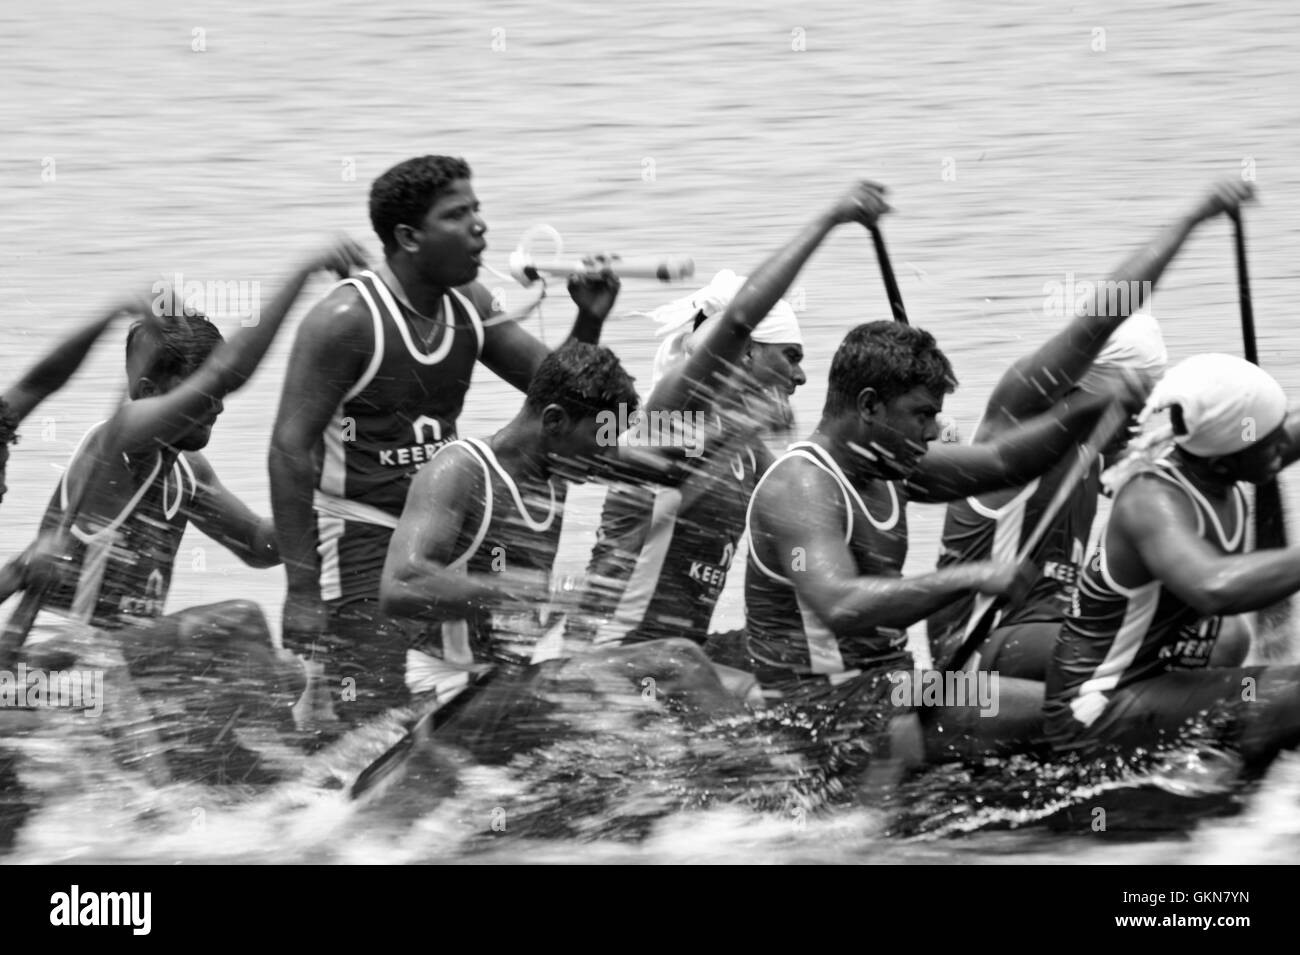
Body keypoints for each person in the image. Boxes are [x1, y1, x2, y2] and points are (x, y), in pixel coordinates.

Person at [269, 155, 619, 728]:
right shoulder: (343, 321)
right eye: (458, 215)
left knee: (461, 710)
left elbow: (559, 399)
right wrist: (301, 591)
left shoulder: (471, 305)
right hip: (358, 535)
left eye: (477, 209)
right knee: (374, 725)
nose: (480, 226)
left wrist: (590, 320)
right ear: (408, 236)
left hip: (443, 535)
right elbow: (287, 453)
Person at [5, 239, 366, 781]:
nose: (217, 405)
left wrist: (337, 487)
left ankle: (253, 773)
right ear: (149, 392)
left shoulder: (186, 474)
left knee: (284, 674)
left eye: (212, 392)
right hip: (54, 670)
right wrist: (302, 273)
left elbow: (264, 546)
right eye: (197, 393)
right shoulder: (119, 445)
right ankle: (300, 776)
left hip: (121, 669)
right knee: (240, 622)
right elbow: (231, 372)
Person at [741, 320, 1131, 770]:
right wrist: (970, 577)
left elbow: (1003, 461)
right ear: (870, 405)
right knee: (1075, 714)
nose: (933, 431)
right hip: (824, 708)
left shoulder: (889, 468)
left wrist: (1090, 410)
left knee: (1084, 697)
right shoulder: (801, 486)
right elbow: (840, 604)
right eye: (922, 414)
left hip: (898, 687)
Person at [927, 180, 1257, 680]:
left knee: (1226, 636)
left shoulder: (1105, 455)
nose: (1142, 419)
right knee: (1148, 641)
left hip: (1056, 636)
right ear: (1085, 392)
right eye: (1133, 404)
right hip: (977, 652)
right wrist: (1194, 219)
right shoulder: (1013, 426)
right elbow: (1098, 320)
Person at [378, 342, 736, 765]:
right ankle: (760, 792)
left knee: (645, 730)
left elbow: (670, 462)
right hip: (452, 692)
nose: (608, 454)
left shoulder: (559, 461)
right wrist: (532, 589)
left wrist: (730, 430)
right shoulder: (460, 471)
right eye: (600, 440)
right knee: (680, 662)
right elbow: (399, 587)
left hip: (506, 686)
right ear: (554, 421)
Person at [1044, 353, 1300, 768]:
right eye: (1271, 442)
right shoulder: (1152, 501)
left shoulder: (1220, 461)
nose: (1284, 445)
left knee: (1239, 645)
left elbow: (1279, 437)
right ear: (1224, 457)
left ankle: (1248, 784)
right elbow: (1215, 586)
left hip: (1161, 680)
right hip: (1100, 708)